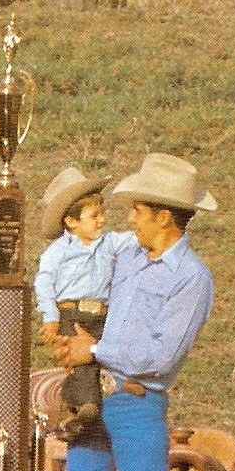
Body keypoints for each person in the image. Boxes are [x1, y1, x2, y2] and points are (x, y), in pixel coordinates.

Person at [51, 153, 216, 471]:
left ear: (165, 216)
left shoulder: (191, 278)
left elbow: (162, 354)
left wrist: (92, 352)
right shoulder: (126, 258)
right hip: (93, 400)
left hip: (138, 404)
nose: (131, 219)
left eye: (139, 210)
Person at [32, 166, 137, 442]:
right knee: (81, 362)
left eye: (101, 214)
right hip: (71, 314)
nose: (101, 220)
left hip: (101, 315)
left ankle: (78, 410)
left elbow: (134, 240)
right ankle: (86, 408)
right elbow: (44, 283)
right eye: (94, 216)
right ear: (71, 222)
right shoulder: (56, 253)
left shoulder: (109, 243)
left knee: (103, 358)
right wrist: (50, 317)